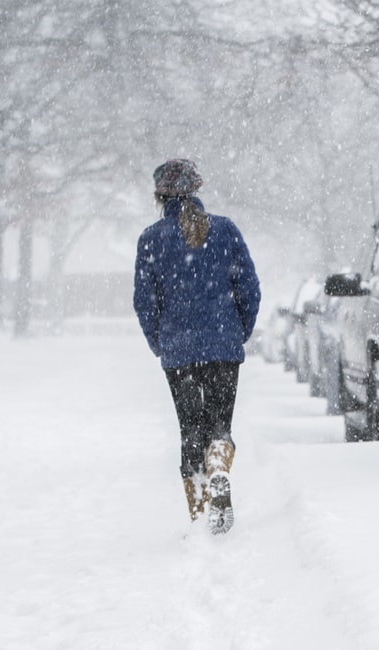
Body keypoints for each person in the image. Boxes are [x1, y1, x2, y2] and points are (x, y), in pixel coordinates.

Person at [133, 159, 261, 534]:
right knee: (219, 424)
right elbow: (249, 289)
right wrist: (239, 331)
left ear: (160, 196)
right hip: (223, 345)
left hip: (179, 350)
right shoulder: (225, 230)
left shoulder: (151, 239)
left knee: (190, 429)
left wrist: (161, 342)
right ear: (197, 190)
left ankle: (201, 515)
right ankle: (219, 467)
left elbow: (144, 302)